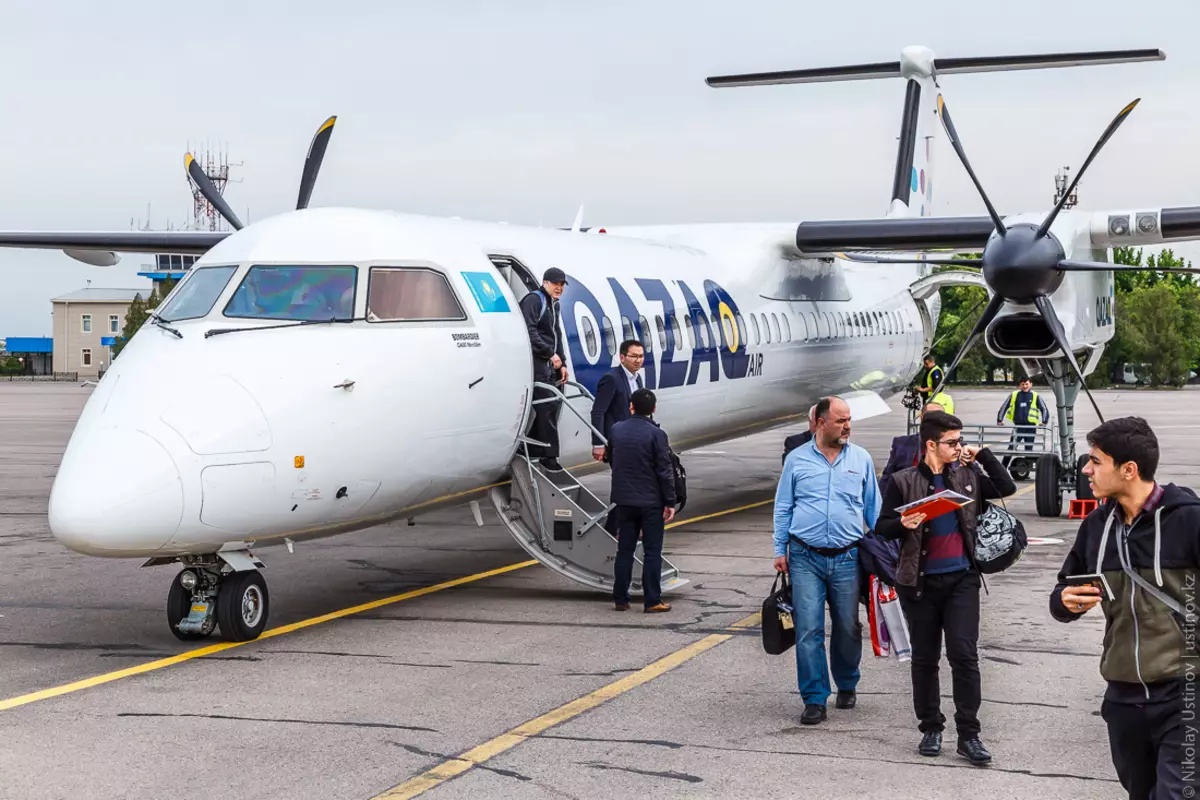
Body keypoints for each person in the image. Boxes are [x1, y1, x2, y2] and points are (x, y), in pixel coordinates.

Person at [1049, 417, 1200, 799]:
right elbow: (1063, 592)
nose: (1086, 470)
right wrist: (1064, 602)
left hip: (1185, 694)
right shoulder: (1096, 526)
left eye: (1096, 461)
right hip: (1122, 697)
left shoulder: (1190, 520)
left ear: (1128, 470)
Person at [876, 410, 1015, 765]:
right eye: (953, 442)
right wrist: (902, 521)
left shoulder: (967, 475)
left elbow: (1006, 488)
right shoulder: (903, 480)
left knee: (964, 656)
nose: (959, 447)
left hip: (962, 579)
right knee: (925, 659)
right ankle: (931, 727)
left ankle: (969, 734)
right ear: (931, 445)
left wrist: (982, 455)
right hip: (918, 583)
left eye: (961, 441)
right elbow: (883, 526)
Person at [773, 396, 881, 725]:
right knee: (808, 630)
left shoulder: (860, 458)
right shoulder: (797, 460)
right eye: (840, 420)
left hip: (848, 558)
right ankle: (815, 698)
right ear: (821, 423)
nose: (848, 426)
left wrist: (884, 550)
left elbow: (873, 508)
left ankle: (847, 682)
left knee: (848, 628)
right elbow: (783, 506)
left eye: (849, 420)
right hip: (805, 556)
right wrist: (780, 548)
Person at [608, 388, 677, 614]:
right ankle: (652, 600)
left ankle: (620, 599)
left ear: (631, 406)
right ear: (654, 409)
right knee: (652, 551)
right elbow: (664, 471)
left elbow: (612, 459)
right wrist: (670, 501)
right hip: (650, 503)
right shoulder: (657, 435)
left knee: (624, 551)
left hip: (624, 501)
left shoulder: (616, 430)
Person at [590, 340, 646, 533]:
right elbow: (598, 412)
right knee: (625, 486)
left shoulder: (637, 379)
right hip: (618, 442)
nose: (638, 360)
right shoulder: (611, 379)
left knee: (631, 486)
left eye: (641, 356)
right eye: (634, 356)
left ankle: (621, 528)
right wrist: (598, 443)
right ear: (622, 357)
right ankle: (613, 529)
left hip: (635, 441)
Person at [519, 268, 569, 470]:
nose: (559, 288)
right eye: (555, 283)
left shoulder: (552, 305)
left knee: (550, 405)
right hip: (537, 363)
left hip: (550, 363)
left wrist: (562, 362)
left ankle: (528, 447)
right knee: (546, 406)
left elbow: (556, 333)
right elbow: (528, 331)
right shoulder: (534, 301)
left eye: (562, 284)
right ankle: (549, 457)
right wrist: (550, 353)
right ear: (545, 282)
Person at [878, 401, 943, 499]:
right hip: (908, 501)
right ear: (922, 418)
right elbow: (888, 478)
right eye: (931, 417)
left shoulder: (955, 447)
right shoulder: (902, 444)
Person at [996, 377, 1050, 469]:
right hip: (1018, 427)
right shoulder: (1014, 395)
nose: (1025, 386)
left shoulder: (1035, 396)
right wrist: (1000, 420)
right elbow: (1004, 406)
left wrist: (1044, 422)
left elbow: (1044, 409)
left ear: (1031, 384)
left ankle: (1026, 470)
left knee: (1028, 450)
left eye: (1026, 384)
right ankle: (1002, 468)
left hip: (1030, 428)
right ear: (1019, 385)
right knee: (1011, 448)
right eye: (1022, 384)